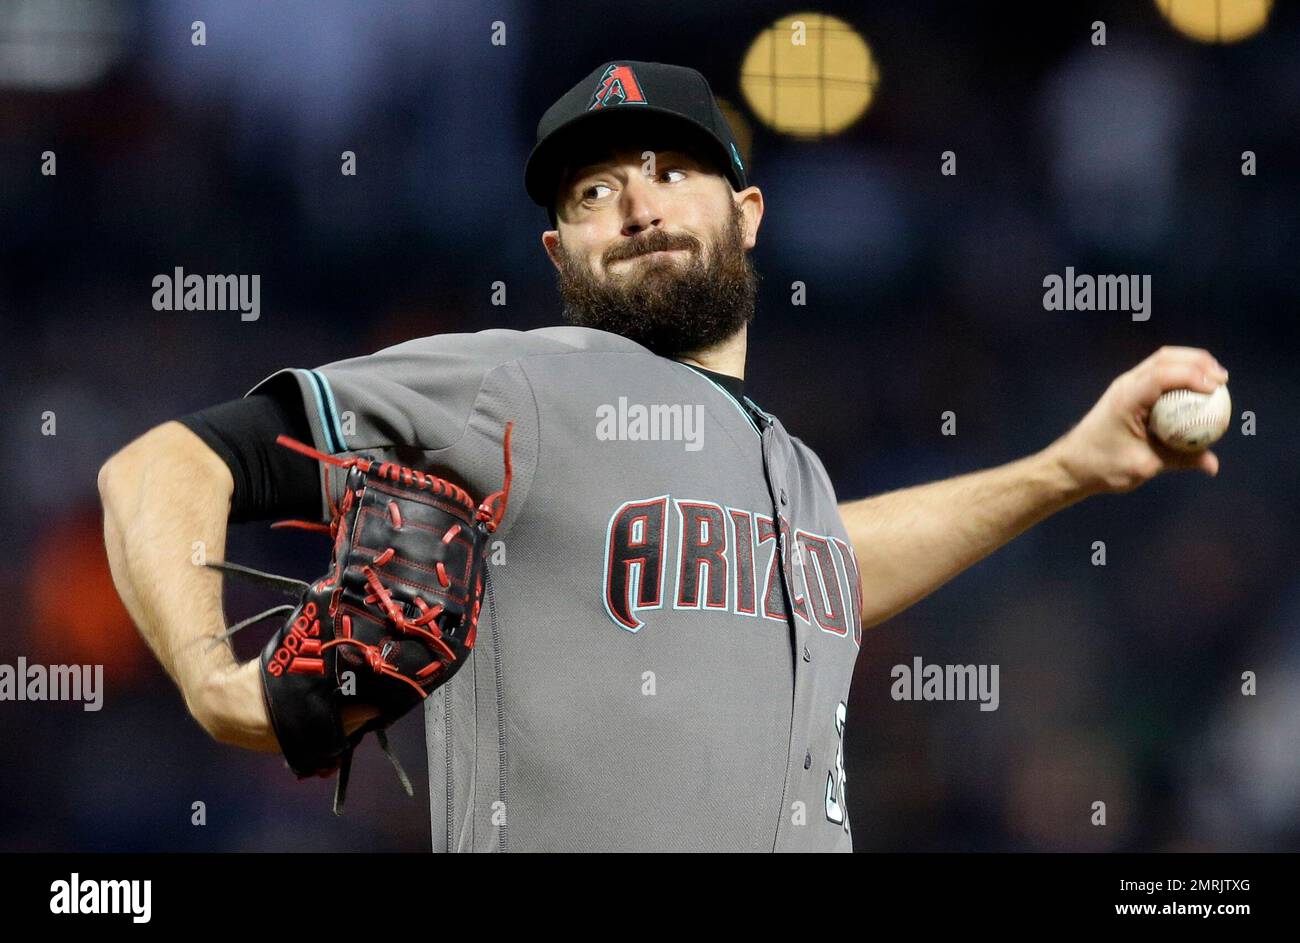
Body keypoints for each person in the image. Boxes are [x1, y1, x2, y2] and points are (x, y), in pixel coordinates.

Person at [98, 60, 1227, 852]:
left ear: (747, 213)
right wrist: (212, 680)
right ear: (557, 250)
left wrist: (1066, 470)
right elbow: (158, 465)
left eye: (668, 169)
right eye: (592, 191)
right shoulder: (518, 380)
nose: (634, 203)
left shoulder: (789, 466)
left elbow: (825, 565)